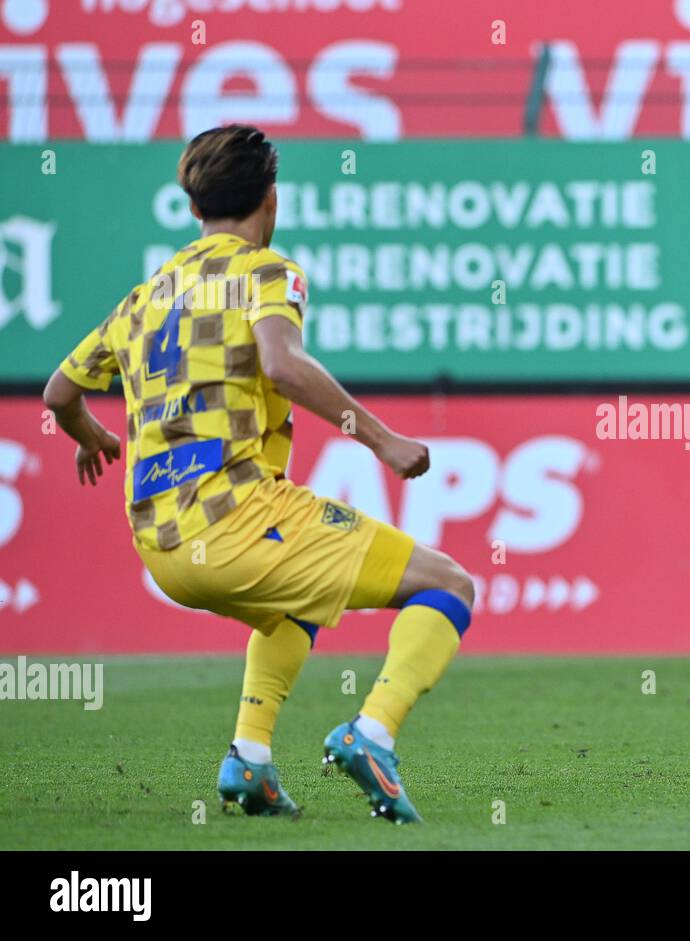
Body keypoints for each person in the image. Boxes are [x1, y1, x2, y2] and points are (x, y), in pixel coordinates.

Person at [42, 125, 473, 823]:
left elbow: (59, 393)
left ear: (193, 208)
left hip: (162, 548)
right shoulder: (266, 271)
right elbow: (282, 363)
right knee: (450, 585)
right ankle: (372, 733)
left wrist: (89, 433)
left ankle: (251, 761)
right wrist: (382, 440)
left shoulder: (143, 298)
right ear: (270, 200)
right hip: (239, 517)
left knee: (295, 603)